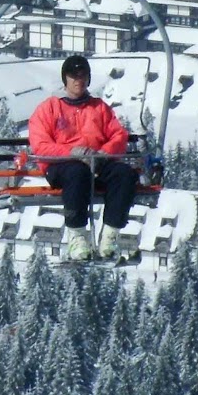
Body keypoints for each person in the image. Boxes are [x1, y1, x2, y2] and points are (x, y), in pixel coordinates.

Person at [28, 53, 134, 261]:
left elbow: (118, 135)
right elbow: (41, 146)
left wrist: (104, 153)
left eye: (83, 75)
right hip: (62, 165)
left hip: (96, 161)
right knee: (78, 173)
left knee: (124, 174)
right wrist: (71, 153)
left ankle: (110, 235)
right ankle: (77, 236)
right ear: (65, 79)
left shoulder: (99, 108)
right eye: (73, 75)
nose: (79, 80)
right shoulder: (50, 108)